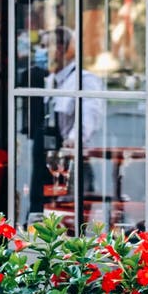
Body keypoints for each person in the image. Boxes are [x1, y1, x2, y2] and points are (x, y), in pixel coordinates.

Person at [44, 26, 104, 192]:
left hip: (72, 159)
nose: (43, 52)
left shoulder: (85, 80)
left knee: (73, 208)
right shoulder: (51, 80)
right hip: (50, 158)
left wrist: (73, 140)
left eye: (46, 46)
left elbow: (89, 116)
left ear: (61, 48)